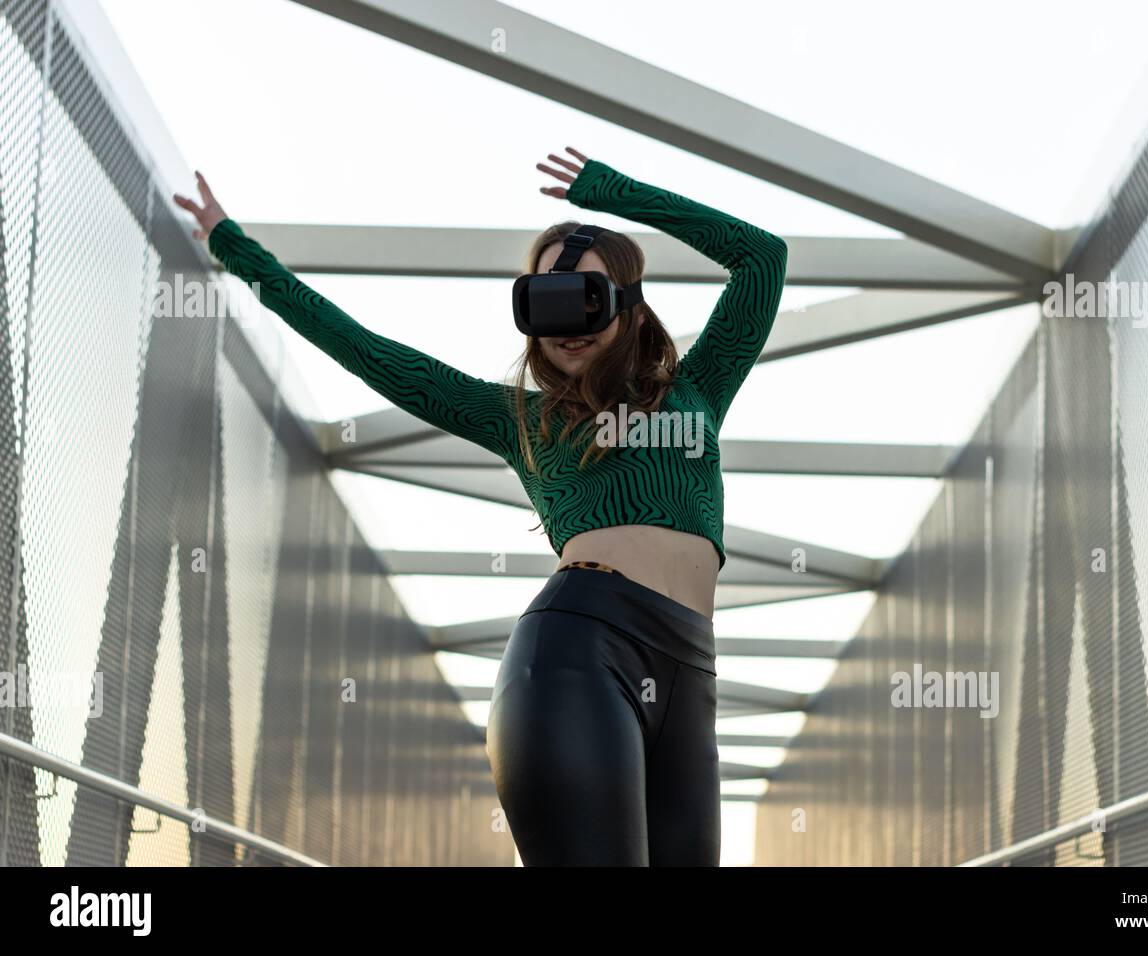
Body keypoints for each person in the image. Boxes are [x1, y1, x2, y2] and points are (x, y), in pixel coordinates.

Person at [173, 147, 788, 865]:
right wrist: (236, 248)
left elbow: (761, 258)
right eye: (544, 303)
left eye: (586, 298)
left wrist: (612, 196)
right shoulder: (519, 419)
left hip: (693, 670)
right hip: (580, 653)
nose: (566, 326)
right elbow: (366, 350)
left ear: (629, 302)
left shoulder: (699, 388)